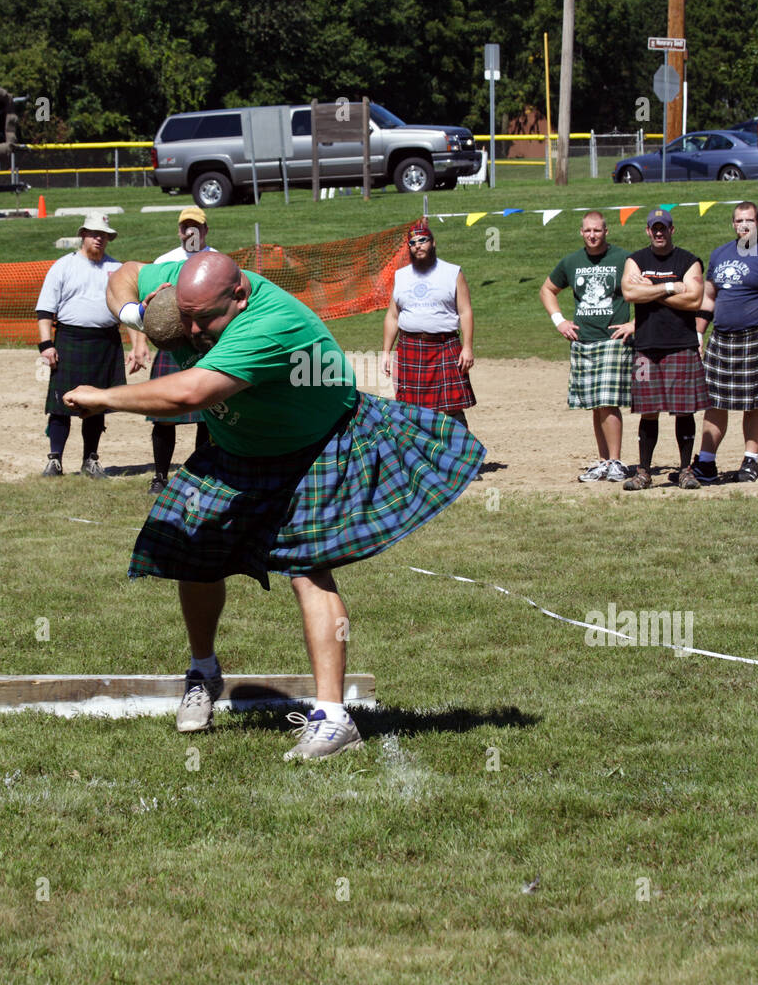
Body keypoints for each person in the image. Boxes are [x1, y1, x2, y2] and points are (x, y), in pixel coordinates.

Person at [64, 252, 484, 761]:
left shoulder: (270, 326)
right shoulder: (190, 287)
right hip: (238, 446)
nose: (191, 329)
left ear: (238, 296)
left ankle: (332, 718)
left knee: (309, 570)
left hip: (313, 445)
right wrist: (136, 313)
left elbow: (189, 394)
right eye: (185, 314)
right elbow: (123, 274)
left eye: (204, 320)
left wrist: (106, 397)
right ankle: (203, 672)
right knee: (194, 555)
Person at [35, 210, 148, 477]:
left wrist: (136, 346)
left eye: (105, 235)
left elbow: (129, 312)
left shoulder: (117, 270)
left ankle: (90, 459)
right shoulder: (63, 266)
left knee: (96, 403)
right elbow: (44, 312)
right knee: (61, 403)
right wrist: (46, 345)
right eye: (95, 234)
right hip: (69, 339)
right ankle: (55, 460)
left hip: (105, 342)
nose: (100, 239)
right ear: (83, 235)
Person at [539, 211, 634, 482]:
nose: (593, 235)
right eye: (588, 231)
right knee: (595, 404)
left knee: (608, 401)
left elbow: (648, 290)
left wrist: (635, 324)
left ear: (607, 231)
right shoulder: (571, 262)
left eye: (598, 230)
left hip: (613, 340)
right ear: (581, 233)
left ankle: (615, 461)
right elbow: (547, 290)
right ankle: (604, 462)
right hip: (583, 341)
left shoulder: (624, 259)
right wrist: (559, 321)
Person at [620, 208, 709, 490]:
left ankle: (686, 471)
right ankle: (643, 472)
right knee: (648, 412)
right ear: (647, 231)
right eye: (654, 228)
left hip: (681, 345)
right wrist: (672, 287)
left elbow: (695, 301)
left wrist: (654, 288)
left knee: (684, 411)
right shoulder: (635, 260)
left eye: (664, 227)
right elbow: (630, 293)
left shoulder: (689, 260)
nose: (659, 232)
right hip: (646, 347)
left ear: (672, 230)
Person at [693, 201, 758, 483]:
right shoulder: (719, 254)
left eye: (750, 221)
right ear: (733, 224)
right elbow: (708, 297)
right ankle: (706, 462)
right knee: (714, 401)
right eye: (739, 221)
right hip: (722, 339)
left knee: (753, 403)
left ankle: (750, 461)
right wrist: (699, 333)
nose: (744, 226)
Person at [147, 206, 215, 495]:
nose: (190, 232)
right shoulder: (162, 263)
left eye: (196, 227)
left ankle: (201, 475)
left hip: (204, 344)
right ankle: (160, 476)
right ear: (178, 230)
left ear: (205, 231)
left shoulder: (217, 261)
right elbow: (145, 307)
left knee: (208, 414)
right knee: (164, 412)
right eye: (185, 226)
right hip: (172, 344)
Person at [381, 221, 475, 424]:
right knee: (410, 410)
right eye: (412, 242)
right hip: (410, 347)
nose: (418, 245)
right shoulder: (401, 276)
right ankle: (419, 454)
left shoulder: (452, 273)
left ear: (433, 243)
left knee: (452, 407)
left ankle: (462, 454)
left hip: (444, 346)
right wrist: (386, 352)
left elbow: (465, 311)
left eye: (423, 240)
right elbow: (393, 316)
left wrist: (467, 348)